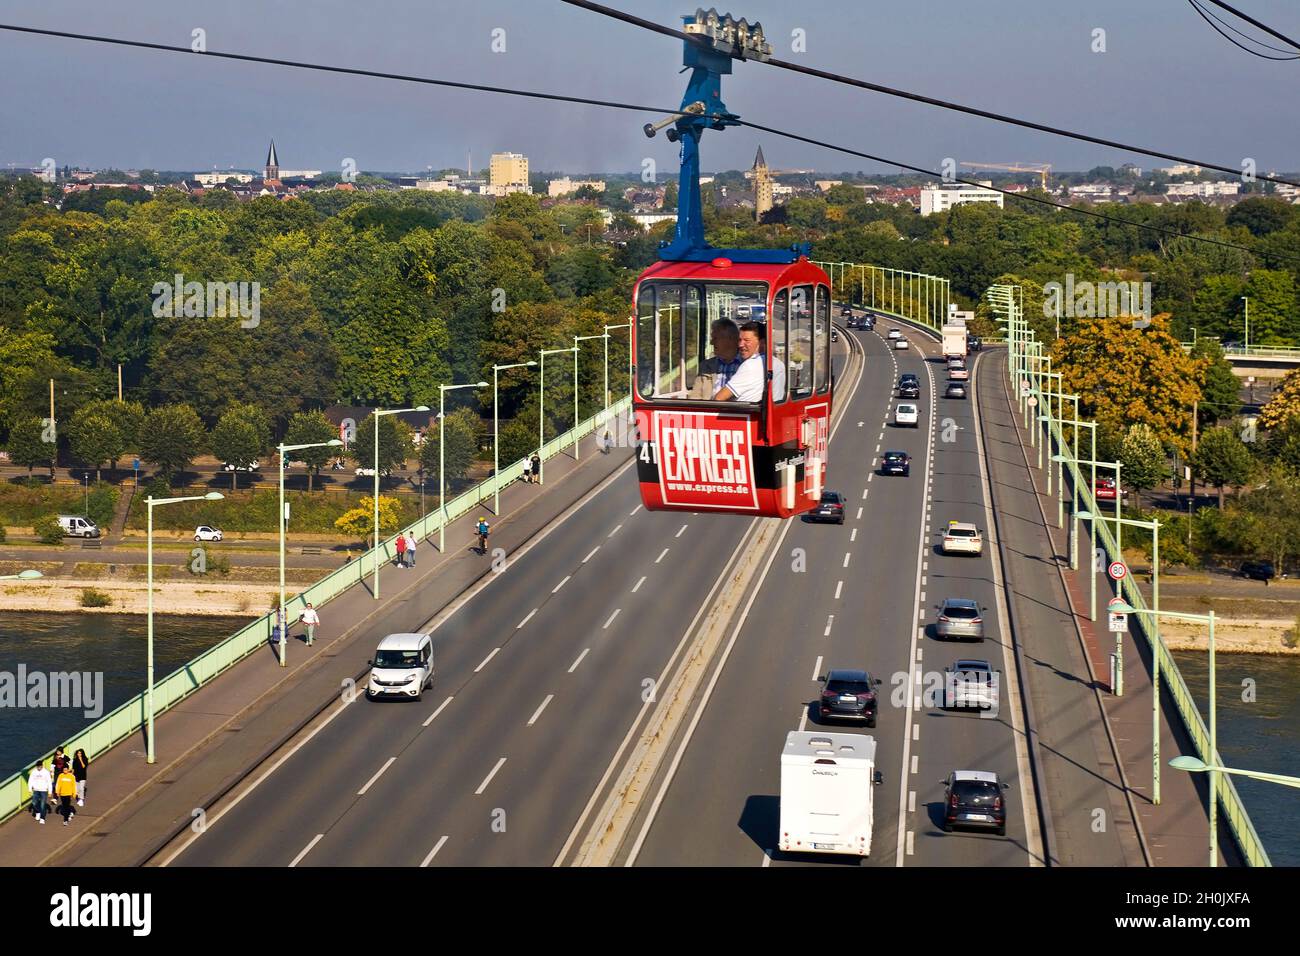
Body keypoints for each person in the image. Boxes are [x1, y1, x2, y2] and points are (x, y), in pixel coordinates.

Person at [715, 321, 784, 403]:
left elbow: (719, 399)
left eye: (747, 340)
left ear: (762, 343)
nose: (740, 345)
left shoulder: (751, 365)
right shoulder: (779, 364)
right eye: (740, 340)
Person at [692, 318, 743, 398]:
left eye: (715, 338)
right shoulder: (706, 366)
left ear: (730, 339)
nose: (711, 342)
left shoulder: (746, 366)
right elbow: (695, 398)